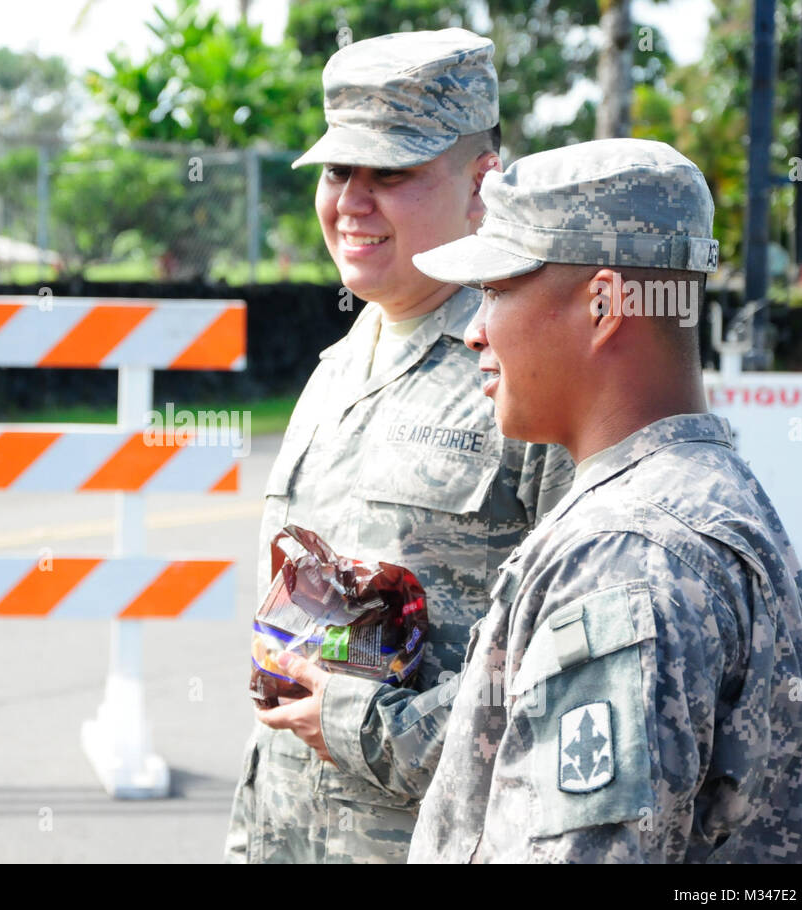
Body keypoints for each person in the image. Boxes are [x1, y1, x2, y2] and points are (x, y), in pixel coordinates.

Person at [405, 139, 802, 862]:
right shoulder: (696, 494)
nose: (471, 329)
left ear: (606, 304)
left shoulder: (626, 552)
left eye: (494, 289)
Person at [223, 29, 574, 864]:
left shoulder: (526, 368)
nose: (351, 200)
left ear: (482, 182)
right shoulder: (335, 370)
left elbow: (566, 665)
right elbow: (287, 654)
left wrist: (370, 728)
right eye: (339, 170)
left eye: (392, 173)